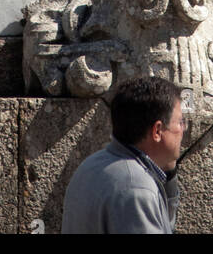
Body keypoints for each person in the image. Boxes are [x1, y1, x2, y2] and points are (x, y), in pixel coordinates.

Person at [61, 76, 185, 234]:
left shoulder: (91, 164)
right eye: (180, 122)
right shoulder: (136, 187)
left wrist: (169, 176)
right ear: (158, 131)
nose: (183, 129)